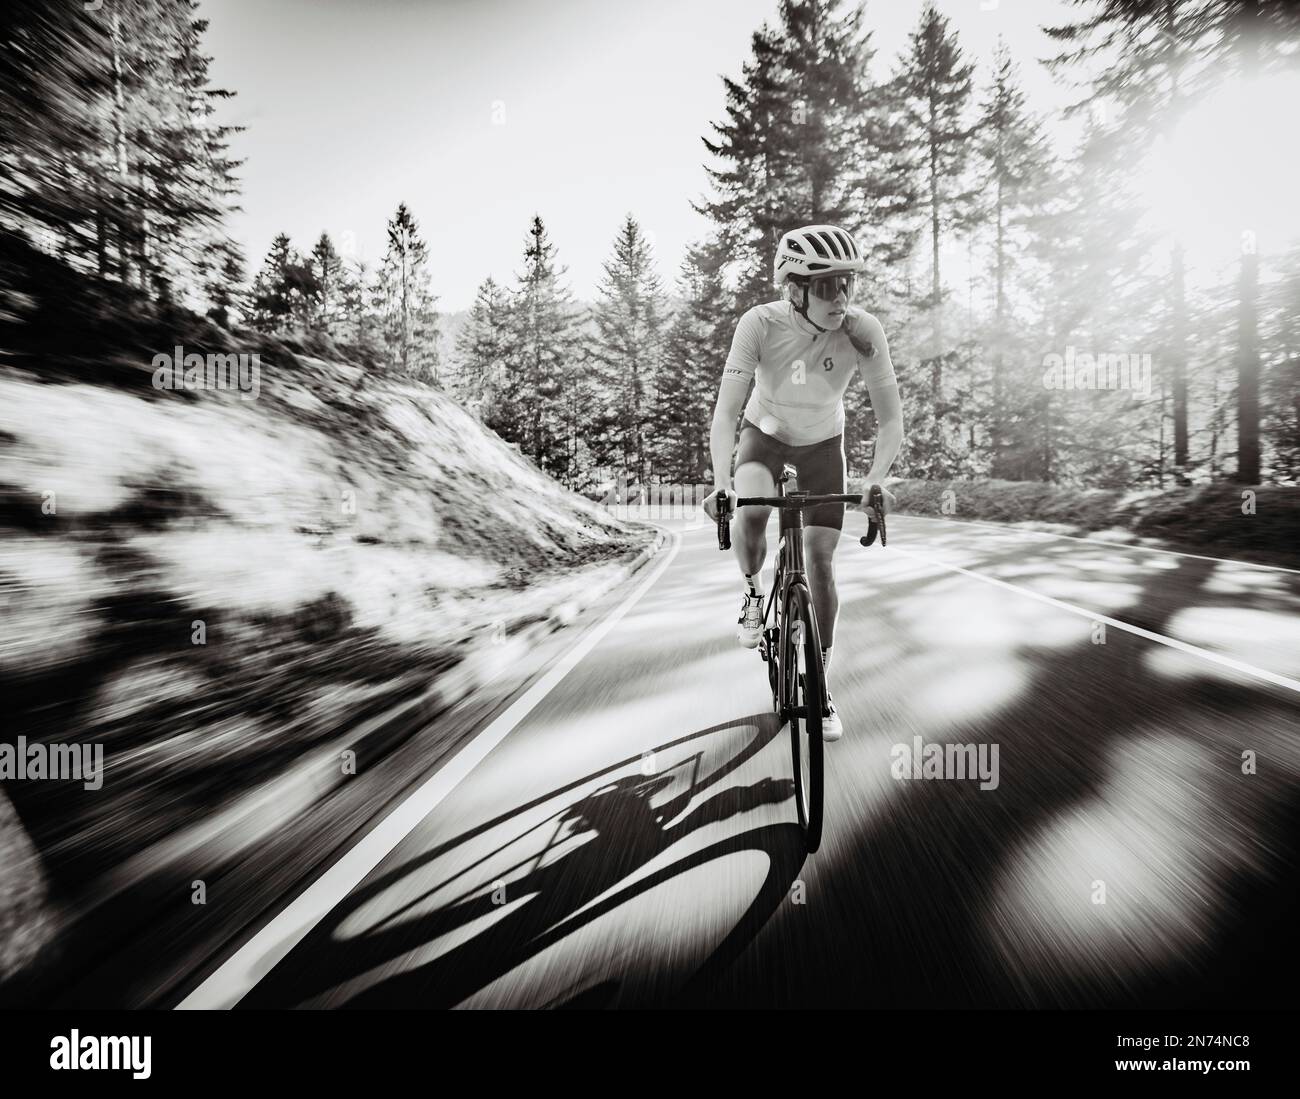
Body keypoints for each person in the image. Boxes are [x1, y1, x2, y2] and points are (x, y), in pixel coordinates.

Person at [702, 224, 904, 742]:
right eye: (825, 286)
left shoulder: (863, 331)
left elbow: (890, 422)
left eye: (846, 285)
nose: (839, 297)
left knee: (820, 562)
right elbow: (725, 415)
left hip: (822, 445)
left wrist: (875, 480)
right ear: (794, 289)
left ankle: (820, 684)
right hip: (762, 434)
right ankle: (752, 591)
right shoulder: (759, 324)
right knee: (750, 512)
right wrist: (722, 482)